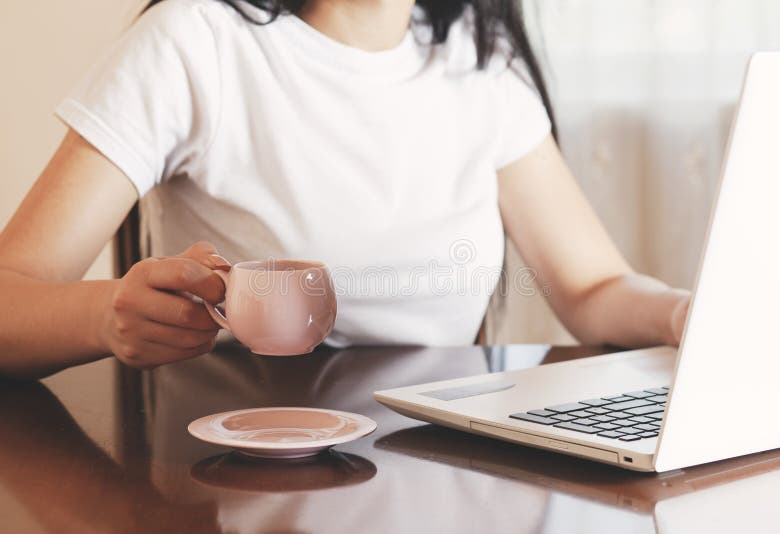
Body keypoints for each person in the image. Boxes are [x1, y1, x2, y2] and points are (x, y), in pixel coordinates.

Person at [0, 0, 690, 379]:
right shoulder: (195, 42)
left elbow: (592, 288)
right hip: (240, 476)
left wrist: (682, 314)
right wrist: (105, 315)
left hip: (444, 475)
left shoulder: (479, 63)